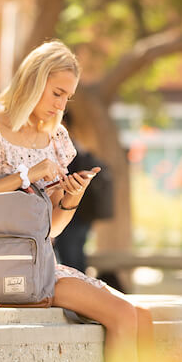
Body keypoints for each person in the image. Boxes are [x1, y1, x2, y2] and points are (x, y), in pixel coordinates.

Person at [0, 40, 154, 362]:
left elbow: (52, 228)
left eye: (67, 97)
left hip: (38, 263)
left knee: (142, 317)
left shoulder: (55, 139)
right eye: (57, 93)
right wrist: (25, 176)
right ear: (33, 81)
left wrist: (72, 198)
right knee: (123, 315)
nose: (61, 104)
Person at [52, 106, 114, 273]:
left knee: (71, 258)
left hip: (71, 212)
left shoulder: (65, 148)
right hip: (81, 213)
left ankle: (77, 286)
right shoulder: (78, 146)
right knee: (75, 256)